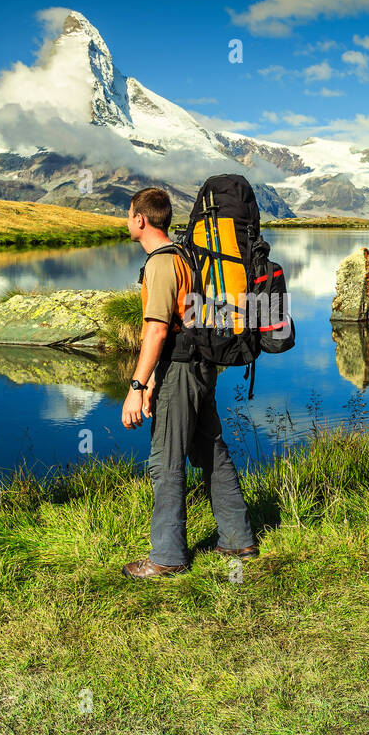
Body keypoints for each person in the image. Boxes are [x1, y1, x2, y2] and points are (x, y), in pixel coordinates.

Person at [119, 187, 256, 579]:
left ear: (141, 220)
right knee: (210, 451)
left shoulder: (161, 264)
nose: (127, 220)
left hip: (179, 371)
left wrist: (137, 387)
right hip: (201, 367)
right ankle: (237, 537)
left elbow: (157, 330)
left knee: (165, 462)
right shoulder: (185, 255)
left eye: (129, 214)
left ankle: (167, 557)